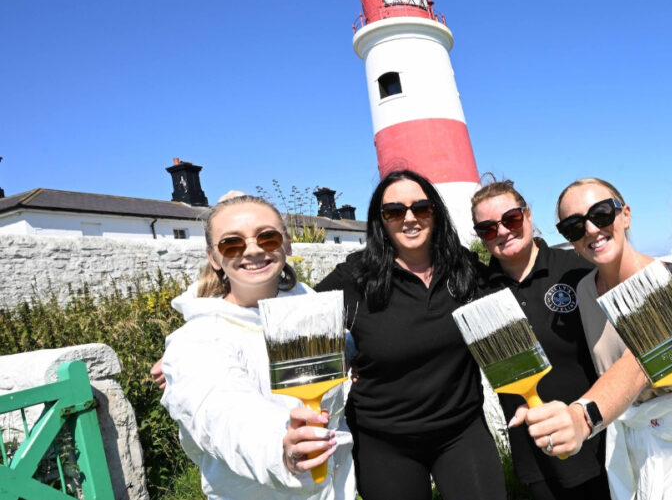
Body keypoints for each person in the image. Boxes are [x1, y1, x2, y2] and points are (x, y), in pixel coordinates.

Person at [523, 178, 672, 500]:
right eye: (574, 226)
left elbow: (640, 364)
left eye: (600, 214)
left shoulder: (670, 278)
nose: (591, 230)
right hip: (628, 435)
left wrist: (583, 417)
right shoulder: (584, 290)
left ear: (625, 214)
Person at [314, 170, 506, 500]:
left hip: (462, 430)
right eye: (394, 211)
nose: (409, 218)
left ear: (436, 212)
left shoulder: (464, 267)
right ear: (379, 220)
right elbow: (294, 320)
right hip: (383, 440)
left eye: (421, 208)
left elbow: (516, 288)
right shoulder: (354, 278)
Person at [160, 193, 355, 500]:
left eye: (267, 236)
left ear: (286, 244)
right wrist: (280, 447)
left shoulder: (310, 311)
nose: (252, 249)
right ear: (214, 257)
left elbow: (341, 362)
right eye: (232, 243)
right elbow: (223, 412)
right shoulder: (197, 340)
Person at [470, 178, 611, 500]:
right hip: (535, 456)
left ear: (528, 215)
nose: (503, 231)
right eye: (488, 229)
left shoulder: (577, 269)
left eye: (511, 219)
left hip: (599, 439)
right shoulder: (476, 292)